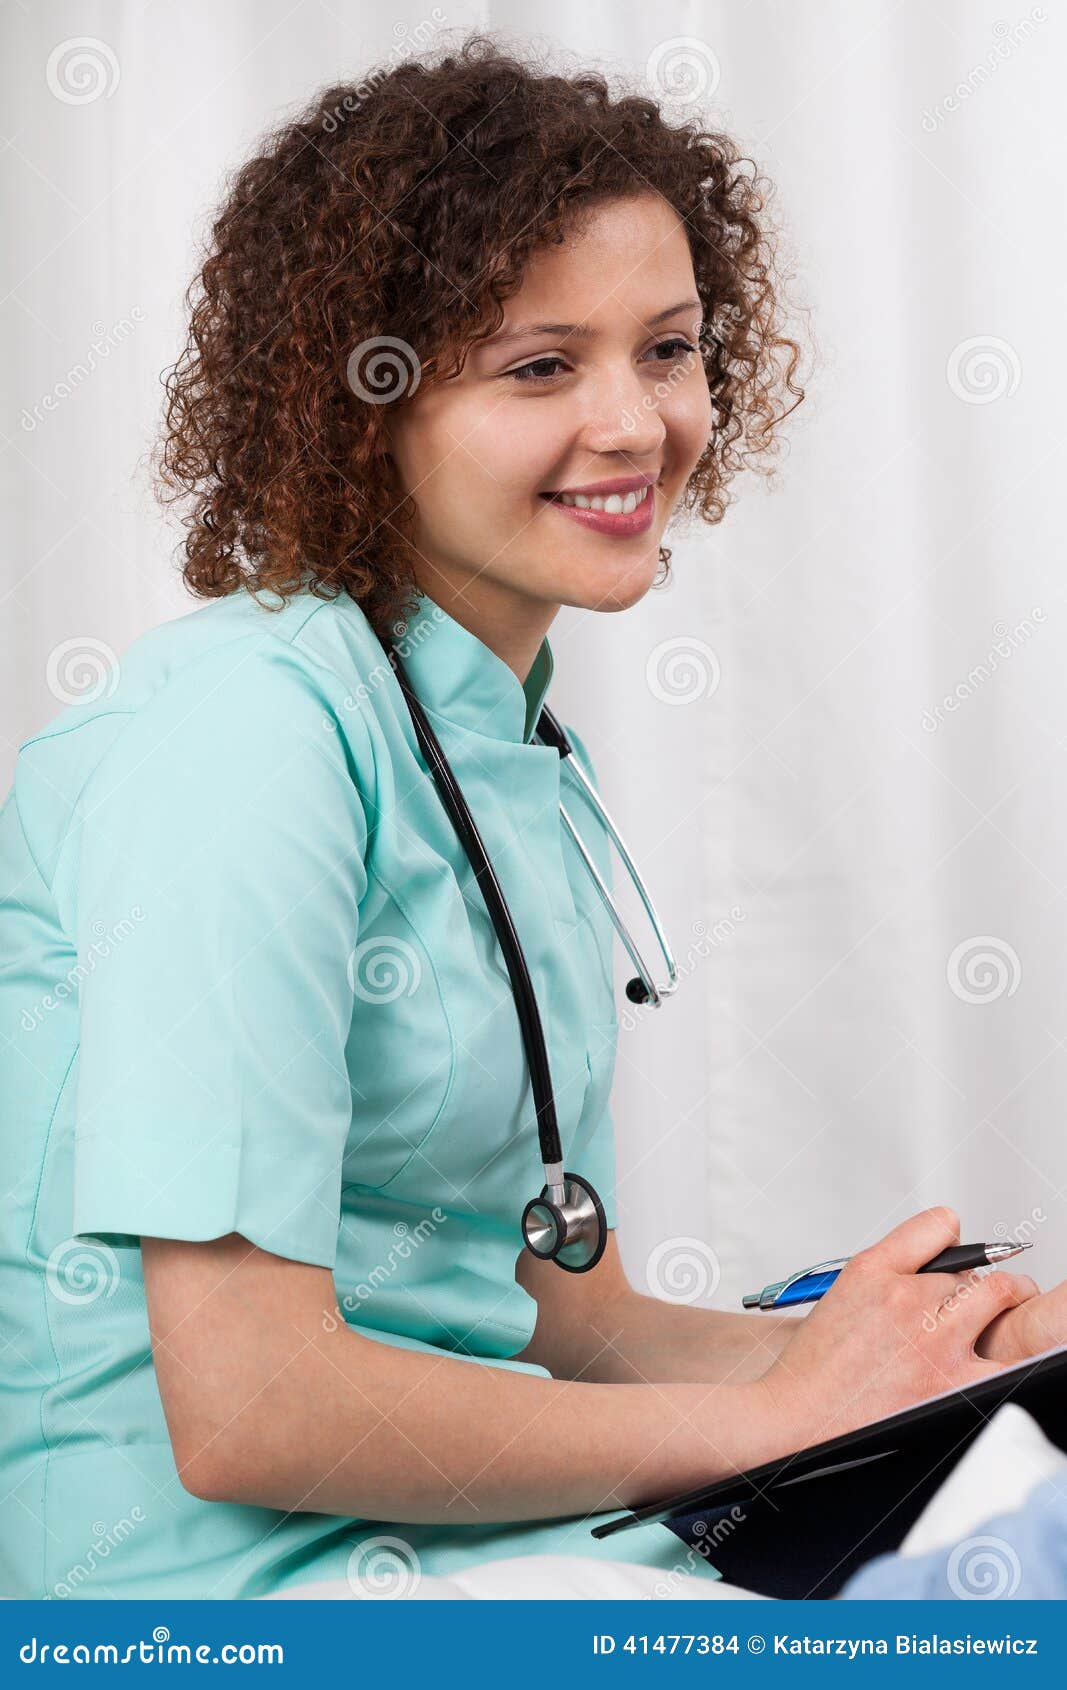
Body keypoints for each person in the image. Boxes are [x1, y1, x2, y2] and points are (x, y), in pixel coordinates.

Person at [1, 35, 1064, 1602]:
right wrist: (772, 1411)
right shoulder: (242, 735)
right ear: (359, 403)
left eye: (672, 349)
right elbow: (244, 1409)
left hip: (486, 1543)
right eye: (541, 365)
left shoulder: (500, 741)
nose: (637, 426)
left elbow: (563, 1320)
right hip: (210, 1593)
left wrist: (930, 1357)